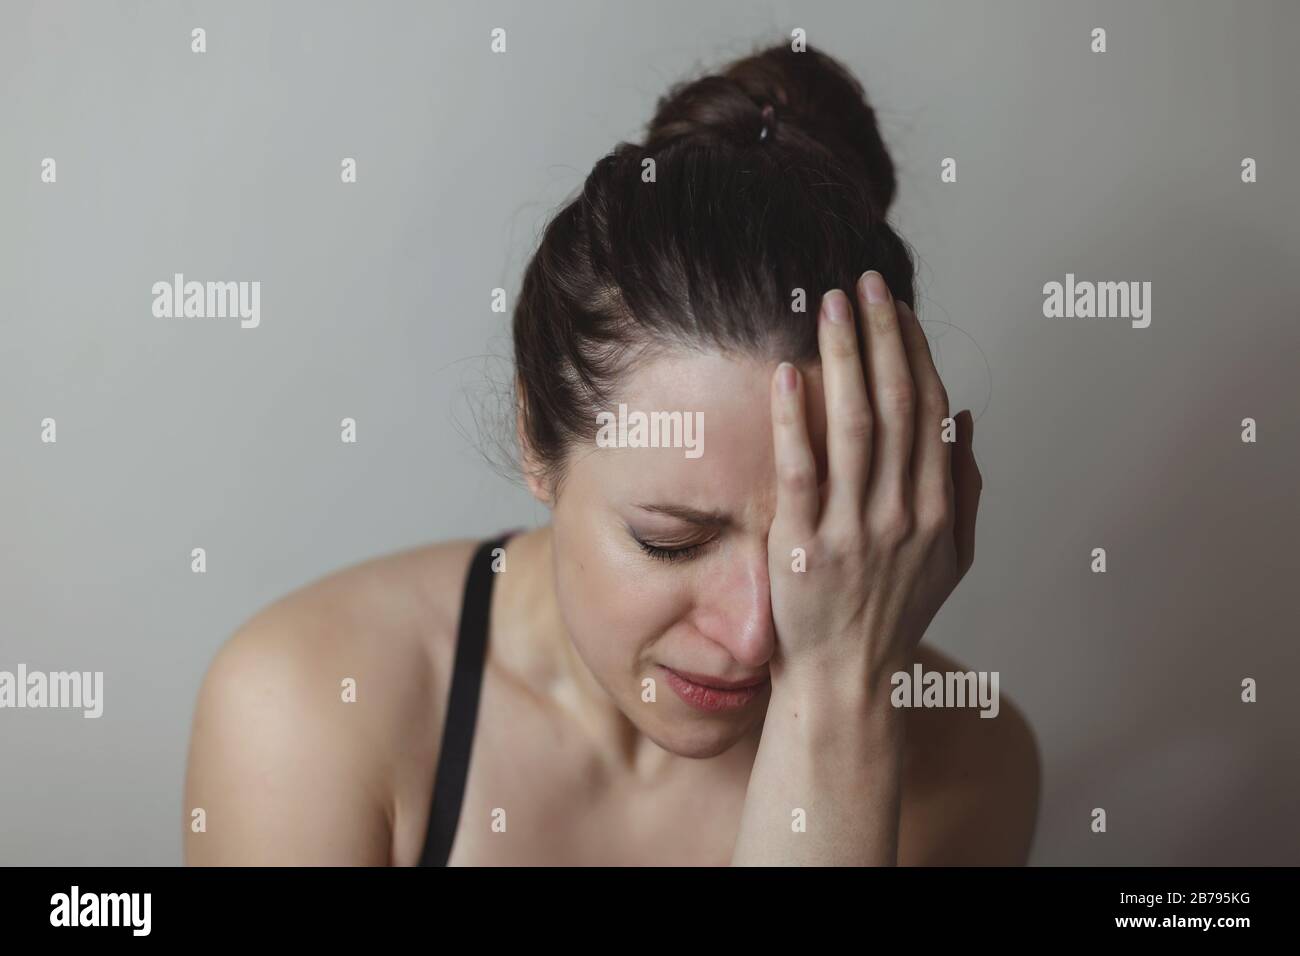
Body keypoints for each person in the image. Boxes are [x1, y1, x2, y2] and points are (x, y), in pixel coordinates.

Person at [183, 42, 1039, 866]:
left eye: (812, 547)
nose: (751, 635)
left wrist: (837, 700)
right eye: (671, 541)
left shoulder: (966, 769)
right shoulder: (308, 710)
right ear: (535, 437)